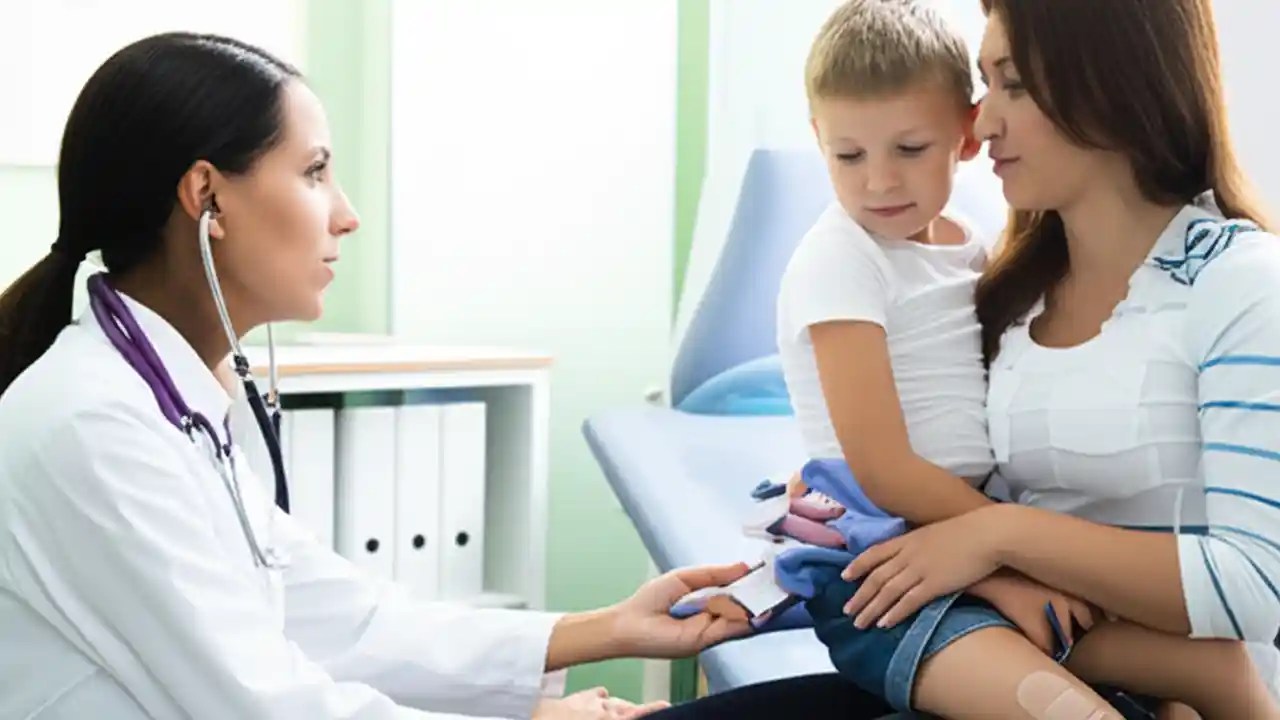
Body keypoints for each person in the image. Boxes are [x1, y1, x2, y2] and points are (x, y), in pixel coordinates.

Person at [0, 32, 887, 720]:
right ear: (208, 197)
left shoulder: (182, 400)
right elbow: (264, 703)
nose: (345, 215)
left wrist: (610, 626)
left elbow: (345, 620)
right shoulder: (93, 426)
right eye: (313, 173)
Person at [734, 2, 1272, 717]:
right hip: (993, 614)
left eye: (1011, 84)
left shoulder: (1238, 282)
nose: (982, 123)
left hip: (1068, 631)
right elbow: (900, 455)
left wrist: (994, 537)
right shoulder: (1009, 292)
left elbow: (1257, 587)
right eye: (985, 84)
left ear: (1111, 80)